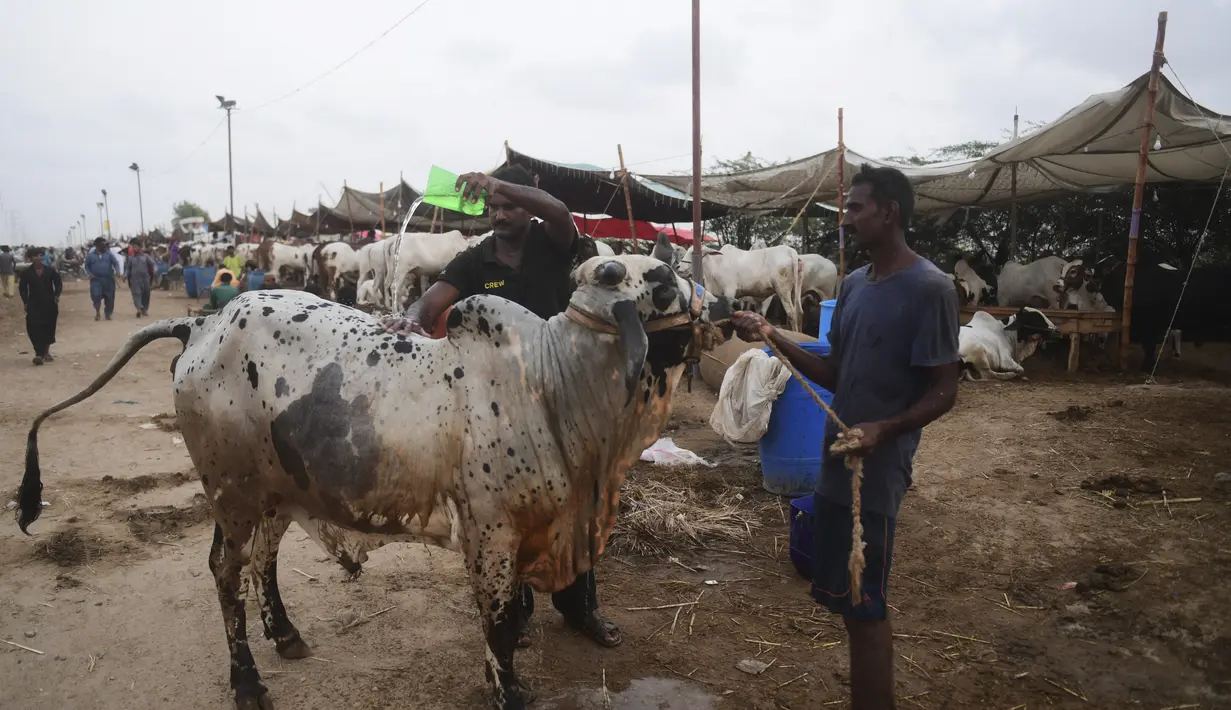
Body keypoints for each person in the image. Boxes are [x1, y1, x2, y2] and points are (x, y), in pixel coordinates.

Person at [732, 165, 960, 710]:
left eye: (856, 208)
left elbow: (945, 390)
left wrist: (885, 428)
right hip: (836, 458)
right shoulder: (855, 285)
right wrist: (772, 336)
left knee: (866, 603)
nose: (847, 218)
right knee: (848, 602)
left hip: (877, 470)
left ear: (890, 212)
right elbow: (835, 373)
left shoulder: (930, 288)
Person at [381, 163, 623, 649]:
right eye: (493, 207)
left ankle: (580, 608)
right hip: (506, 412)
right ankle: (517, 611)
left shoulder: (553, 241)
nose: (500, 214)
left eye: (509, 205)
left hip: (565, 400)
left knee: (575, 508)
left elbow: (559, 212)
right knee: (515, 510)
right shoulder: (477, 260)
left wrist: (496, 182)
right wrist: (411, 318)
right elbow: (431, 302)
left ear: (528, 199)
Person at [19, 247, 63, 365]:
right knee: (33, 327)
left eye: (41, 255)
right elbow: (22, 288)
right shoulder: (26, 273)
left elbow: (58, 283)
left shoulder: (50, 271)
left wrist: (57, 295)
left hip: (49, 304)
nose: (39, 258)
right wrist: (25, 302)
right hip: (34, 304)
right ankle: (38, 352)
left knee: (48, 327)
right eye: (36, 256)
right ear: (31, 258)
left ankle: (45, 352)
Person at [85, 237, 123, 321]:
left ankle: (108, 314)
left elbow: (116, 263)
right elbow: (86, 266)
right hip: (96, 280)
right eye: (102, 244)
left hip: (108, 280)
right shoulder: (90, 256)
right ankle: (97, 312)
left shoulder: (109, 254)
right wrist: (90, 274)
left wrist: (117, 271)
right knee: (96, 296)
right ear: (97, 245)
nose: (104, 246)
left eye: (105, 244)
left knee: (109, 298)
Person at [124, 241, 156, 317]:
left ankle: (144, 309)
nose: (134, 248)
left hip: (145, 278)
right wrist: (125, 275)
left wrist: (155, 269)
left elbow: (153, 263)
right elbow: (128, 269)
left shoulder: (145, 256)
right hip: (134, 279)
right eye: (133, 247)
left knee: (146, 294)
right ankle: (138, 308)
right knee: (136, 294)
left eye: (135, 247)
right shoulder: (131, 258)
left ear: (139, 247)